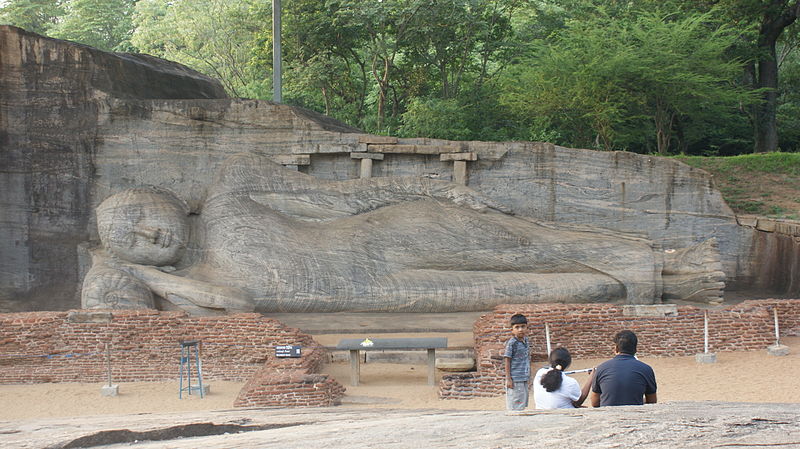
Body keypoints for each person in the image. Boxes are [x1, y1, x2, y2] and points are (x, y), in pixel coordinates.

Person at [82, 153, 724, 314]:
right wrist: (143, 275)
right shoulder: (199, 282)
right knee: (556, 288)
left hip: (392, 237)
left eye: (141, 214)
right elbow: (239, 307)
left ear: (164, 198)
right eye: (128, 238)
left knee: (538, 246)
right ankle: (670, 286)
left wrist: (433, 189)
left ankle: (672, 263)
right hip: (387, 291)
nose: (149, 234)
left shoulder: (229, 192)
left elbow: (342, 195)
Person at [590, 330, 657, 407]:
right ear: (635, 349)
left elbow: (594, 403)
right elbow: (652, 401)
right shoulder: (646, 369)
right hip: (635, 413)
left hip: (608, 414)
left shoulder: (601, 368)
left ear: (616, 348)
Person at [504, 314, 531, 411]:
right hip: (515, 379)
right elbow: (507, 360)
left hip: (524, 377)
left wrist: (528, 376)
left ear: (527, 327)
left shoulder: (526, 341)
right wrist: (508, 379)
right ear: (512, 330)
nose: (520, 330)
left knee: (522, 401)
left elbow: (527, 359)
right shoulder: (512, 343)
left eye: (523, 326)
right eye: (517, 327)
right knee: (515, 403)